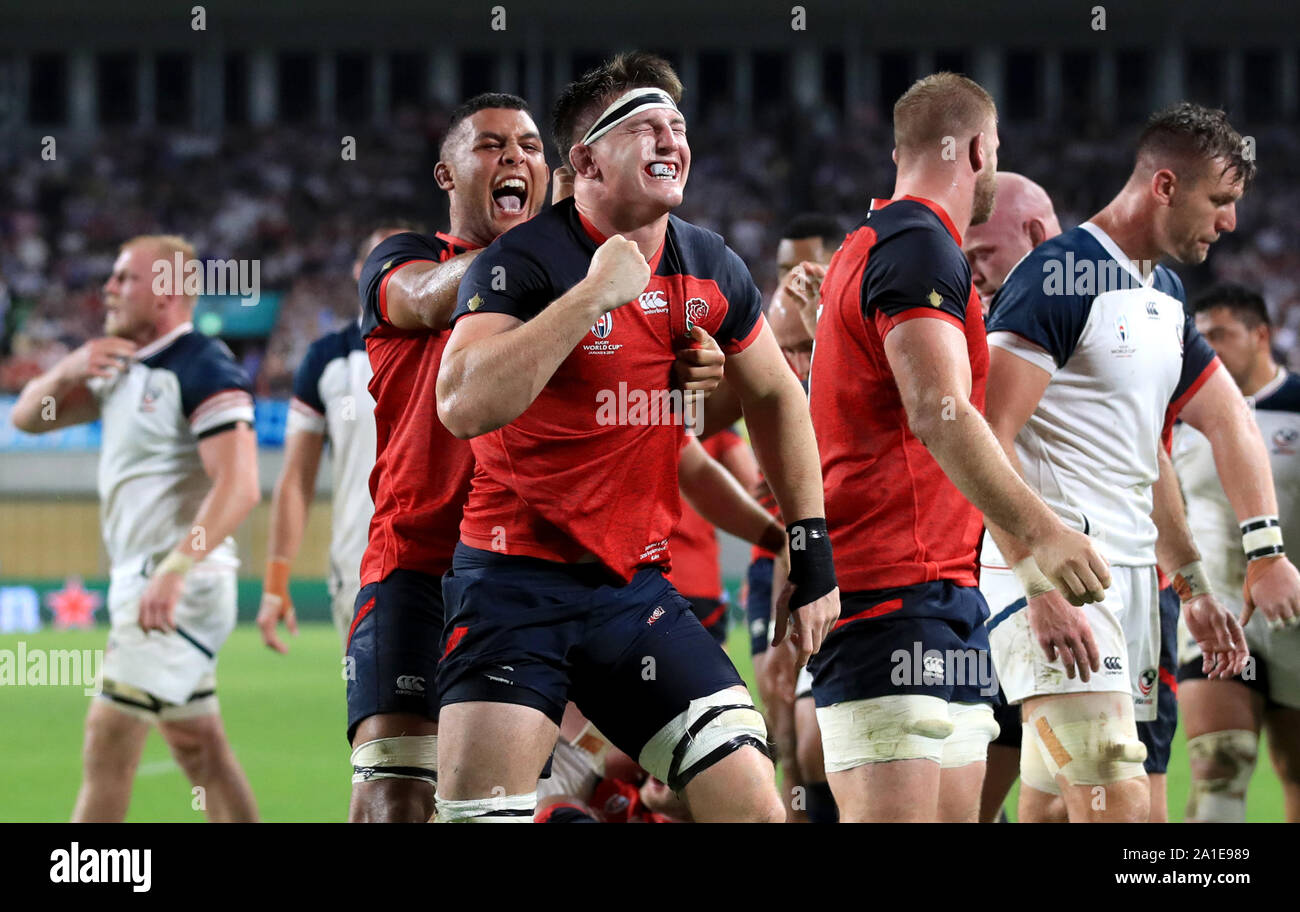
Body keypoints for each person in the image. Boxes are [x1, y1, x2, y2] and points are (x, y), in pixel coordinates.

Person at [433, 51, 839, 823]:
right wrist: (591, 297)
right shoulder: (524, 260)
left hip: (634, 592)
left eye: (678, 127)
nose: (671, 141)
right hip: (511, 585)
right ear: (584, 159)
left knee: (756, 808)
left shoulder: (708, 262)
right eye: (646, 127)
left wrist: (809, 546)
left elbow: (779, 398)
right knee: (479, 818)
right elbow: (462, 402)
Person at [808, 72, 1110, 823]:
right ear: (979, 147)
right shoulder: (917, 244)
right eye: (996, 150)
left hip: (942, 598)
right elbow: (940, 415)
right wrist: (1044, 534)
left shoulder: (884, 242)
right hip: (887, 593)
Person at [981, 103, 1285, 823]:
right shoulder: (1059, 277)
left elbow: (1221, 423)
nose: (1229, 222)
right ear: (1165, 186)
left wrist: (1238, 563)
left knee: (1076, 809)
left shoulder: (1166, 295)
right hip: (1055, 582)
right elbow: (986, 439)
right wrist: (1035, 584)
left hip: (1135, 588)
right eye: (1220, 201)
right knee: (1113, 801)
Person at [345, 93, 551, 822]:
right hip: (415, 566)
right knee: (395, 796)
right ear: (446, 173)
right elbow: (431, 301)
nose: (515, 158)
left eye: (530, 145)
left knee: (504, 803)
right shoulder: (401, 261)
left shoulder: (574, 290)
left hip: (527, 577)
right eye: (491, 146)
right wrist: (551, 259)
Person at [12, 235, 260, 822]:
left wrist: (177, 568)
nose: (109, 288)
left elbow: (241, 486)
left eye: (126, 278)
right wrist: (70, 366)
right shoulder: (120, 366)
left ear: (169, 290)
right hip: (144, 584)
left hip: (177, 587)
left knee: (108, 742)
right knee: (199, 749)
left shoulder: (202, 365)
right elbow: (28, 416)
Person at [1172, 282, 1300, 822]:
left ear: (1262, 335)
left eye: (1220, 335)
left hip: (1294, 613)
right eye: (1200, 338)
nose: (1209, 347)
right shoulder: (1178, 417)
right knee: (1219, 765)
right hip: (1218, 607)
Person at [258, 226, 406, 652]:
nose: (393, 270)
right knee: (378, 719)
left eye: (407, 259)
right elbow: (296, 479)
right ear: (359, 271)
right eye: (381, 258)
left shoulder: (459, 345)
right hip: (358, 567)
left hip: (455, 567)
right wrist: (275, 579)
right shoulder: (328, 359)